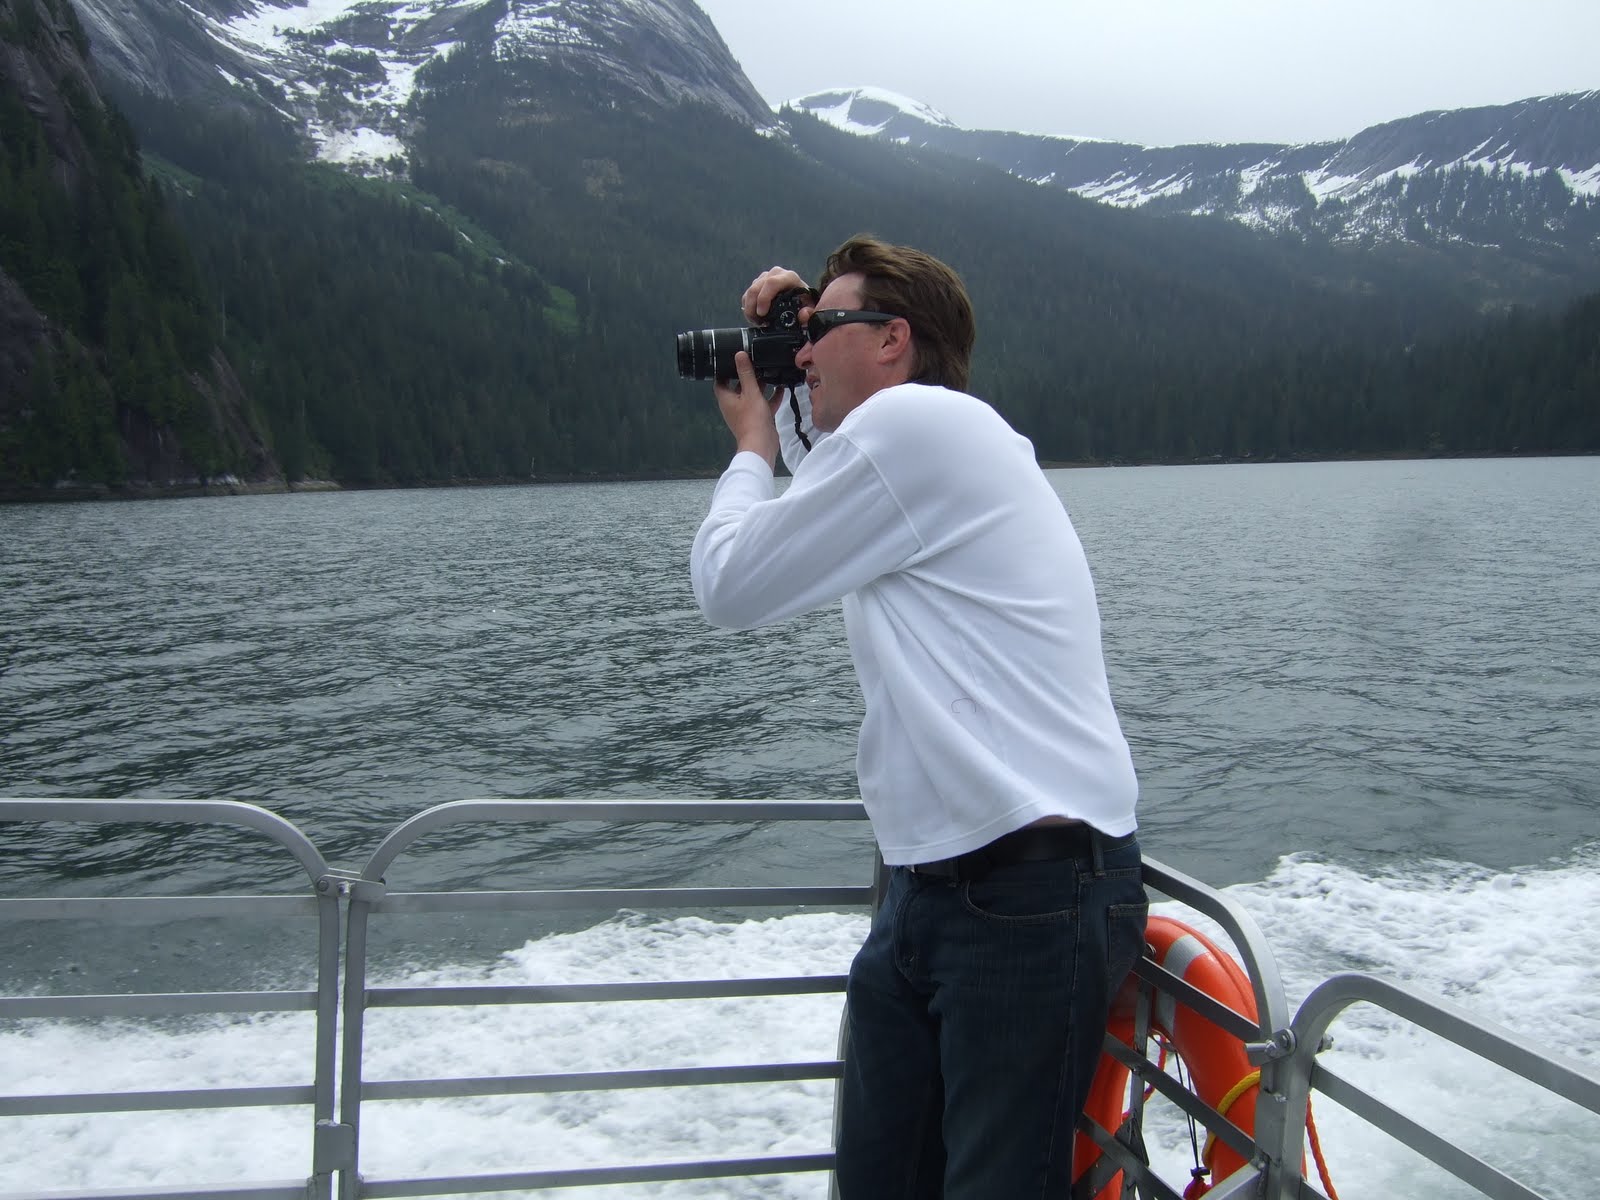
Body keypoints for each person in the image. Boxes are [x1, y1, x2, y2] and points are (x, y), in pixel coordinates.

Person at [690, 235, 1147, 1198]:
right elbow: (826, 490)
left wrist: (751, 446)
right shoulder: (912, 447)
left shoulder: (920, 430)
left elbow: (731, 584)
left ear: (894, 339)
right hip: (937, 893)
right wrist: (799, 344)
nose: (801, 353)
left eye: (819, 332)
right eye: (798, 336)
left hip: (1025, 896)